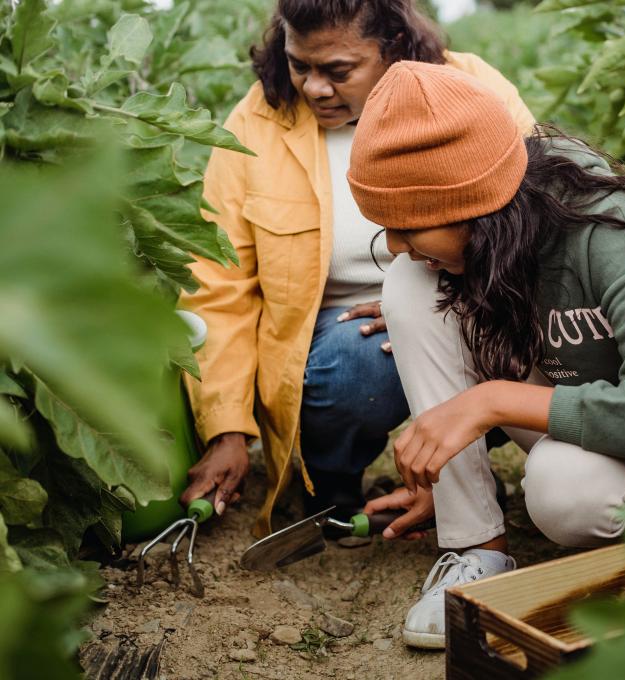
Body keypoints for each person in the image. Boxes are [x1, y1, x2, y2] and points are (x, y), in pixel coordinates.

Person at [349, 62, 625, 648]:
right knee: (406, 289)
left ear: (476, 204)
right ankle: (476, 548)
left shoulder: (612, 231)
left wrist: (492, 401)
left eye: (409, 225)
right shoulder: (489, 239)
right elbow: (432, 289)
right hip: (586, 419)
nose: (393, 244)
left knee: (562, 491)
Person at [178, 0, 534, 538]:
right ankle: (330, 480)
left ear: (392, 46)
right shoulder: (257, 122)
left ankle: (461, 471)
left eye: (338, 71)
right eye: (300, 65)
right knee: (352, 368)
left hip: (467, 301)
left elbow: (529, 219)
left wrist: (430, 306)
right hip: (345, 327)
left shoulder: (473, 89)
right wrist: (226, 429)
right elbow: (218, 283)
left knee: (504, 351)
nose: (314, 88)